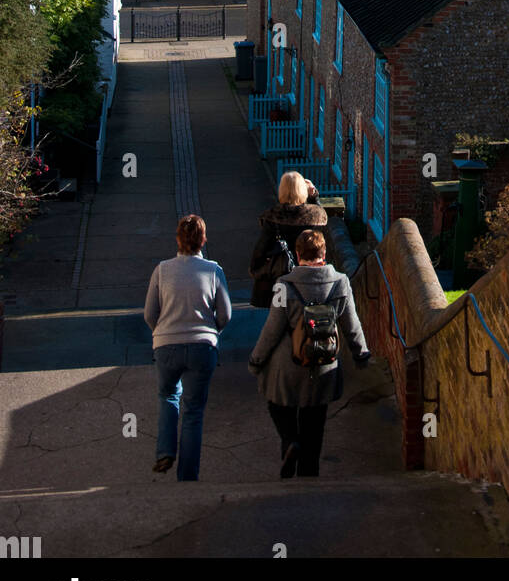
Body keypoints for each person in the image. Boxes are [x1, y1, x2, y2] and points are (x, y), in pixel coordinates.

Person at [248, 228, 370, 478]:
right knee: (314, 428)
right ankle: (308, 479)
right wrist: (361, 354)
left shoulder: (284, 285)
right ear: (324, 253)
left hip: (289, 365)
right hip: (323, 366)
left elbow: (272, 330)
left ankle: (290, 442)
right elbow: (351, 324)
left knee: (278, 405)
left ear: (297, 253)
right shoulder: (340, 282)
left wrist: (257, 360)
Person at [144, 214, 232, 481]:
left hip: (166, 346)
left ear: (178, 239)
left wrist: (162, 332)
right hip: (202, 347)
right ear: (203, 240)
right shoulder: (213, 270)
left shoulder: (162, 270)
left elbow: (150, 313)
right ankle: (187, 476)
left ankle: (165, 451)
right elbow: (225, 314)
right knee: (193, 411)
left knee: (168, 396)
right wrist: (212, 331)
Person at [249, 171, 328, 308]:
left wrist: (255, 269)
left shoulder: (273, 217)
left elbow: (260, 250)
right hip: (308, 278)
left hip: (281, 282)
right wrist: (314, 194)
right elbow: (321, 215)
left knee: (279, 319)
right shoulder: (314, 217)